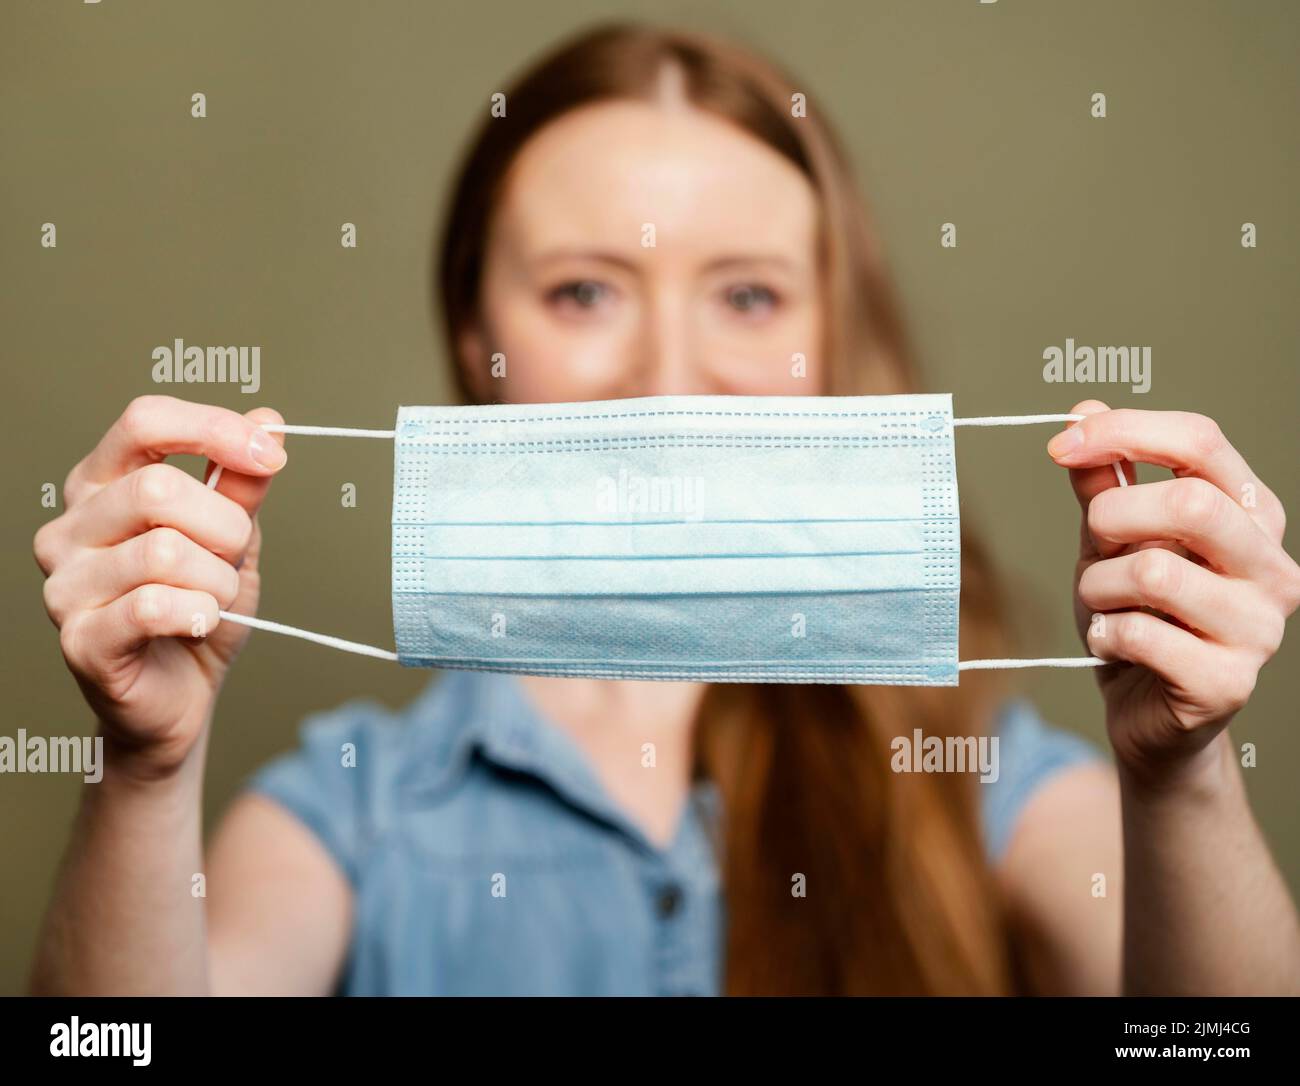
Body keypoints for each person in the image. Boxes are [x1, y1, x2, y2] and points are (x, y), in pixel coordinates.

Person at [29, 24, 1300, 996]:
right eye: (584, 292)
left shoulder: (986, 781)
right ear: (479, 339)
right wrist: (144, 776)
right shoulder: (350, 810)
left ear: (830, 340)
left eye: (746, 297)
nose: (669, 375)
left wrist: (1181, 776)